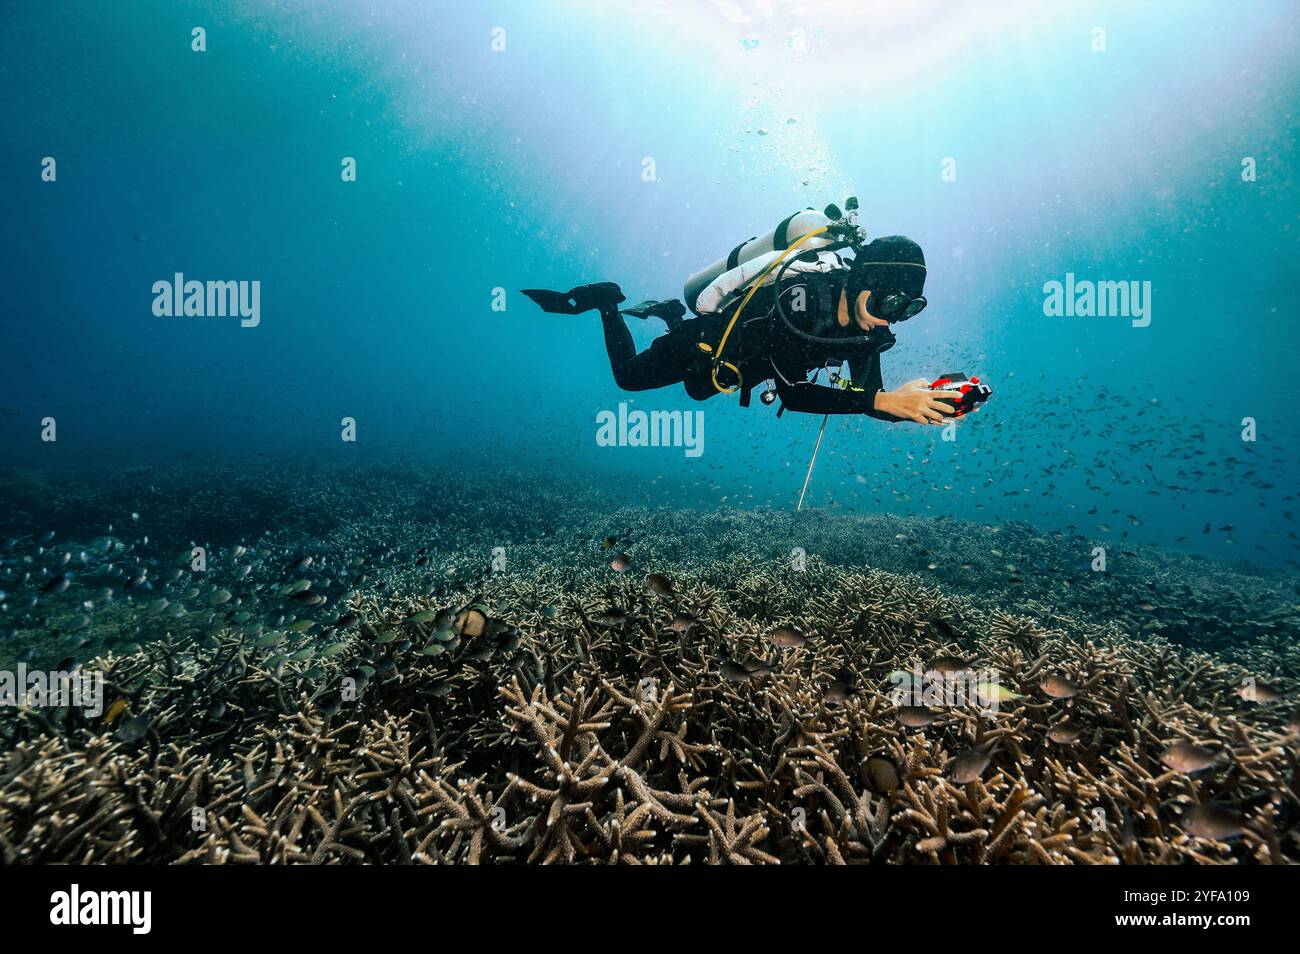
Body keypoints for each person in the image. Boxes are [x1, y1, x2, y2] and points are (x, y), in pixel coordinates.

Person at [523, 234, 963, 425]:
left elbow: (869, 400)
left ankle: (667, 310)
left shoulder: (868, 334)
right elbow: (795, 395)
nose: (892, 318)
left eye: (909, 309)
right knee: (627, 379)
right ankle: (605, 302)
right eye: (889, 302)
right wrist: (883, 399)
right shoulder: (802, 299)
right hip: (707, 340)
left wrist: (925, 404)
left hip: (732, 369)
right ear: (864, 282)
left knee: (697, 390)